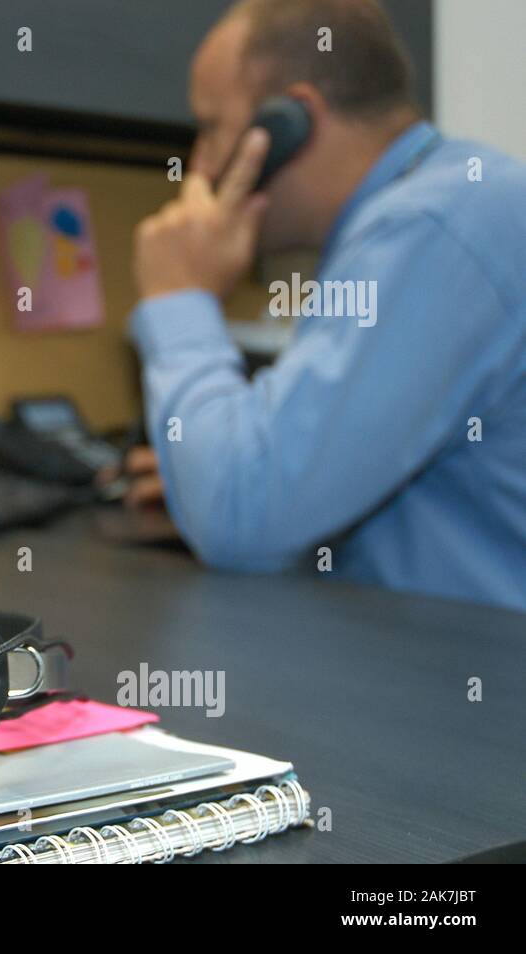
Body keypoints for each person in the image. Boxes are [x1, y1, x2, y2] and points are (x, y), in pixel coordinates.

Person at [124, 0, 526, 611]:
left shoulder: (431, 225)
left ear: (292, 123)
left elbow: (241, 518)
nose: (199, 165)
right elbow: (292, 476)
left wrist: (179, 294)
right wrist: (200, 470)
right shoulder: (444, 207)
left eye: (211, 127)